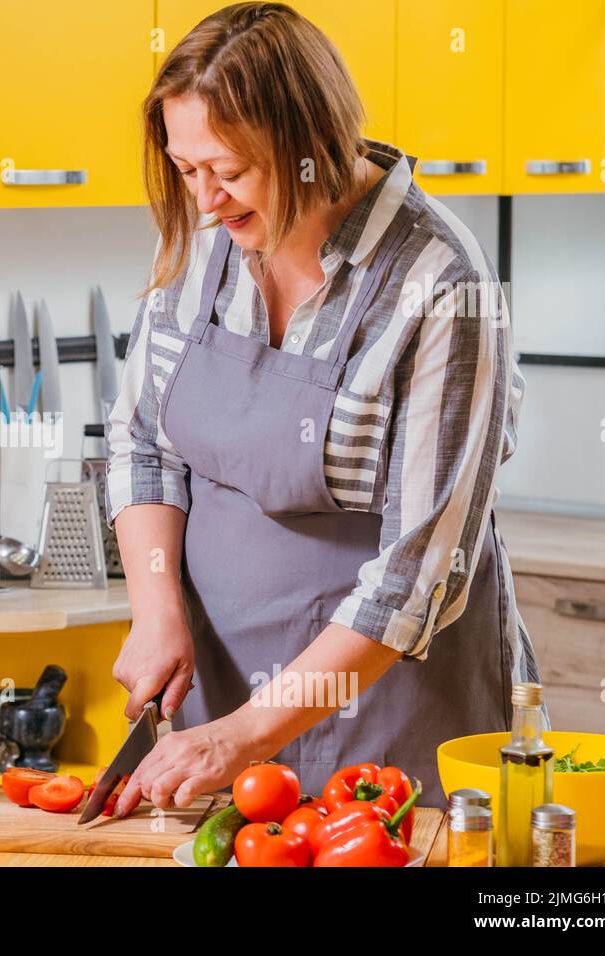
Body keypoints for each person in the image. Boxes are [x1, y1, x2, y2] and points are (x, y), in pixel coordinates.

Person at [106, 2, 540, 813]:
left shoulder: (445, 285)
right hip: (221, 702)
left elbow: (417, 578)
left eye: (228, 171)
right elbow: (143, 445)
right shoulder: (208, 250)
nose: (202, 201)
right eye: (185, 168)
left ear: (308, 145)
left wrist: (245, 734)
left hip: (390, 720)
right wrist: (157, 611)